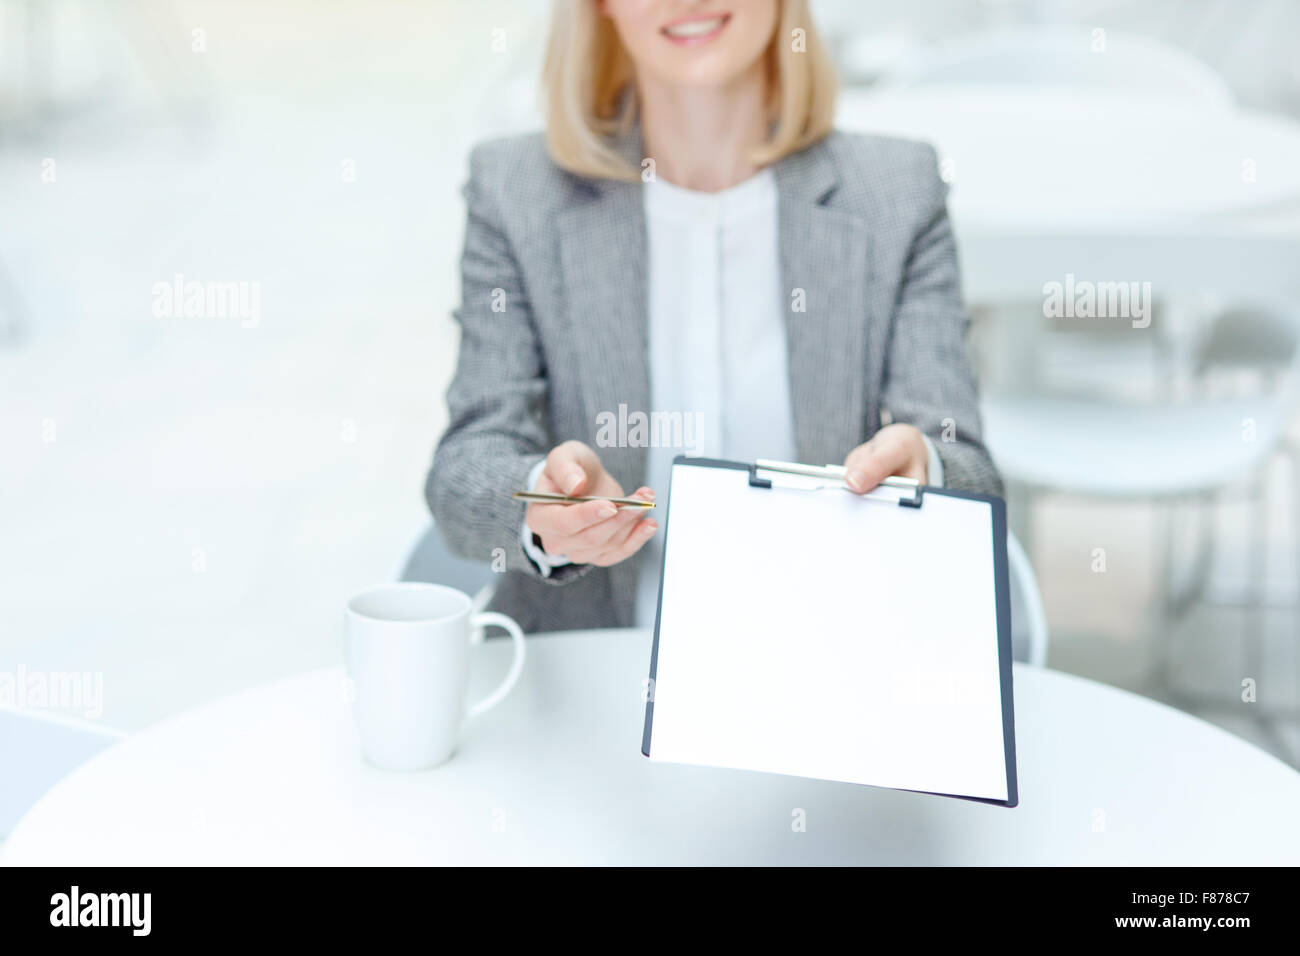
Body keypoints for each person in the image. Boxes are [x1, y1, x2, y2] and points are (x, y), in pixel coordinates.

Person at [426, 0, 1000, 633]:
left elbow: (973, 477)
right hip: (592, 669)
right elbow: (461, 475)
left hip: (827, 665)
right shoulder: (516, 190)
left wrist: (927, 469)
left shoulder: (897, 190)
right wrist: (543, 501)